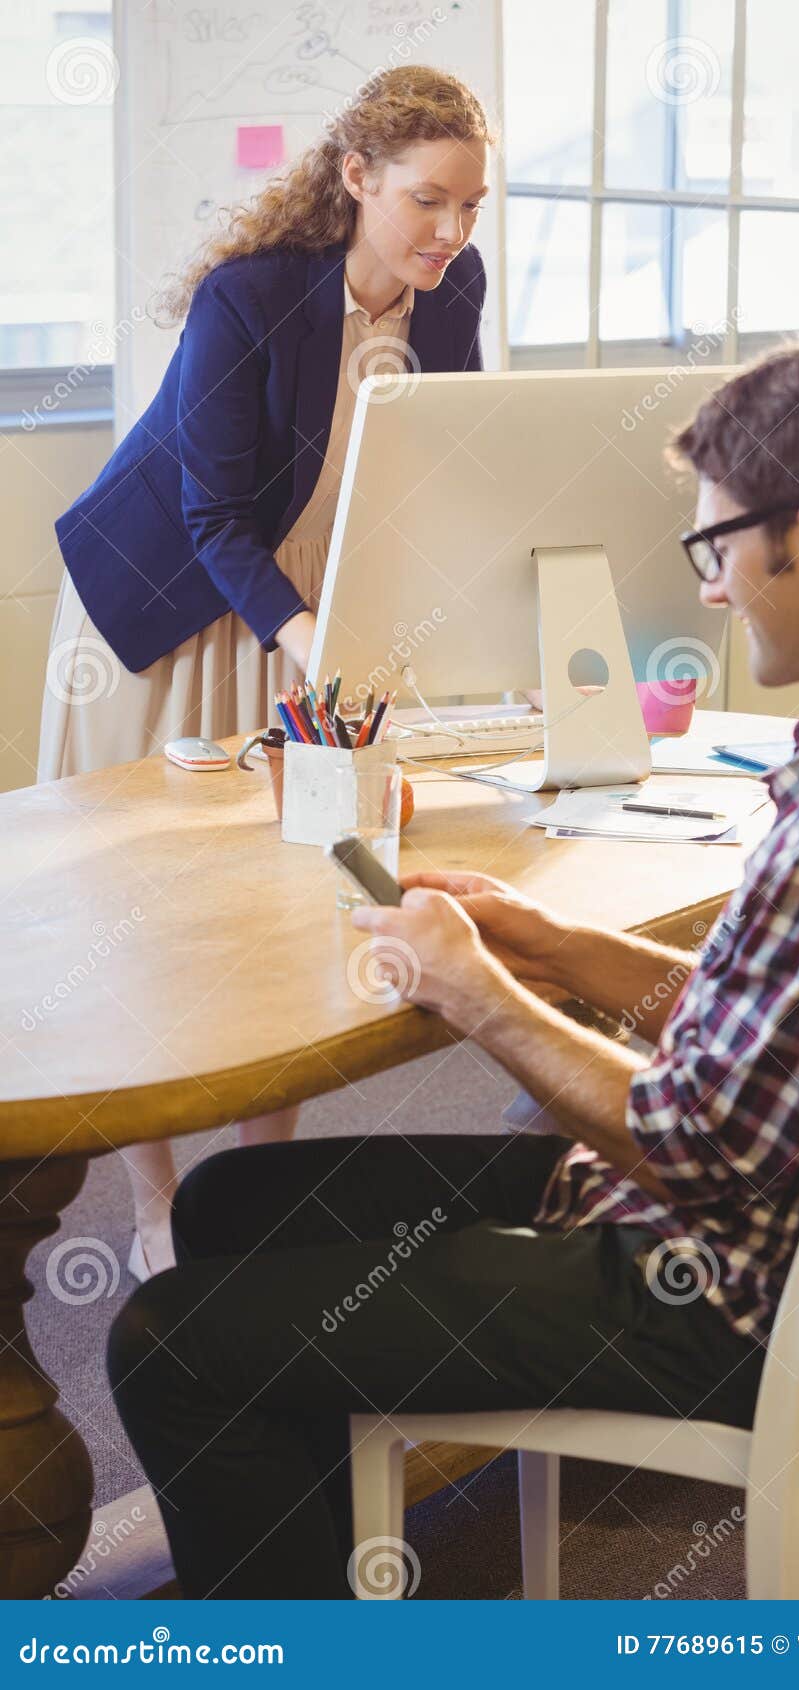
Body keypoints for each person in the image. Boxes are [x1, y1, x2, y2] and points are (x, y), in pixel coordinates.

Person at [107, 329, 799, 1598]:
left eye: (716, 545)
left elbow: (686, 1142)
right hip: (796, 1242)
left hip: (705, 1291)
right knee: (224, 1210)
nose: (712, 589)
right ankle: (308, 1566)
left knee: (165, 1341)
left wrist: (473, 987)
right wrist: (555, 942)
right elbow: (769, 1021)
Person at [38, 65, 492, 1280]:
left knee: (287, 919)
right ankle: (153, 1205)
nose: (449, 233)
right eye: (425, 202)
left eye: (470, 206)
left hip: (310, 615)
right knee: (158, 929)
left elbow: (443, 464)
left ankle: (245, 1201)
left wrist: (432, 625)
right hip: (178, 609)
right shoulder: (249, 299)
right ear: (356, 179)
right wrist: (316, 647)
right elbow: (210, 516)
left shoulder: (452, 294)